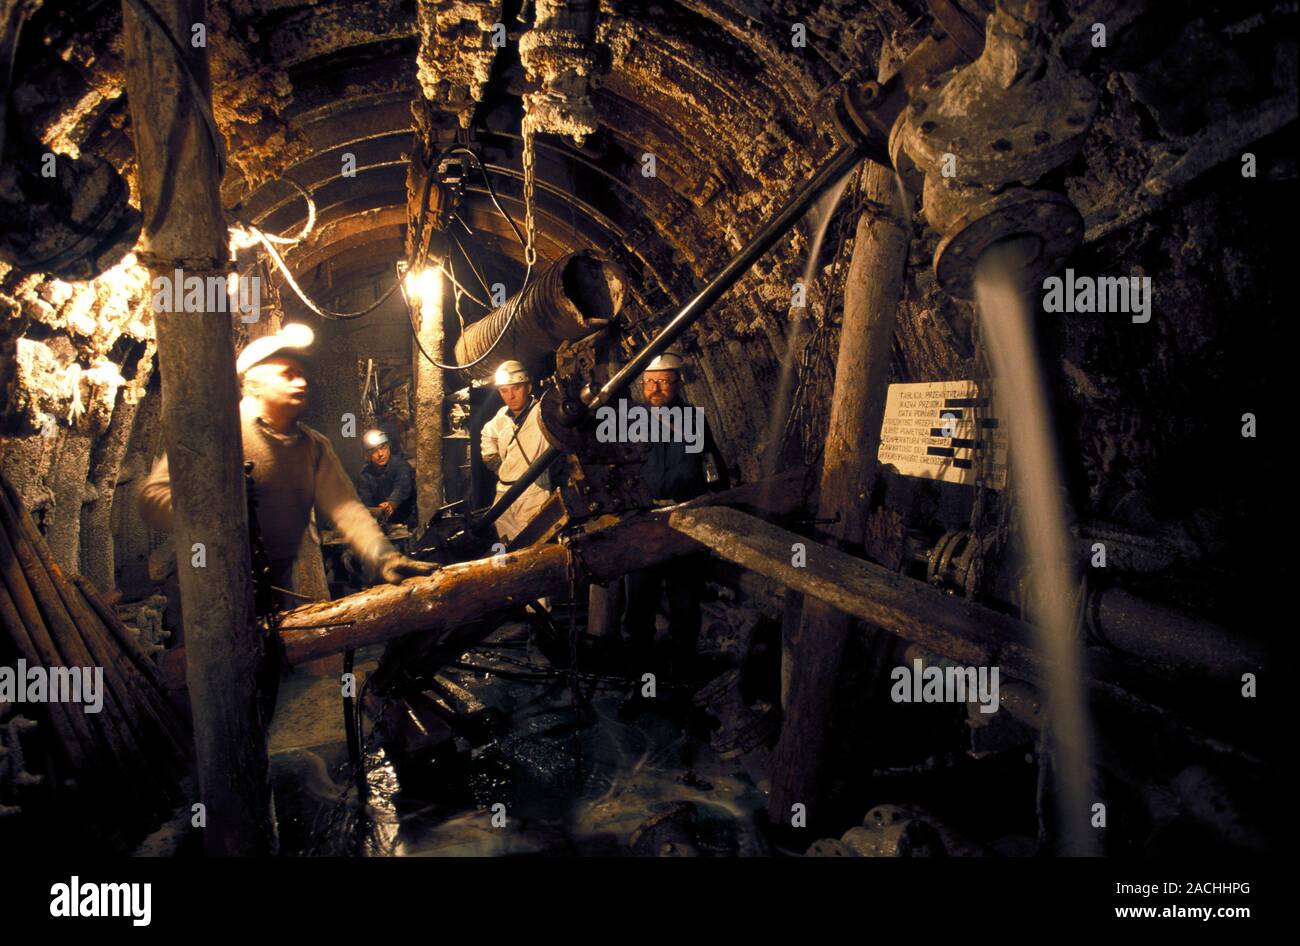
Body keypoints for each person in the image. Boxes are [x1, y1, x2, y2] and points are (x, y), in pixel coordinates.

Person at [138, 323, 436, 611]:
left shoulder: (312, 446)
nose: (301, 381)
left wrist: (383, 558)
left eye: (302, 374)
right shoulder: (218, 434)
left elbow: (347, 510)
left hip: (276, 584)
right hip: (209, 589)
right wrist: (212, 506)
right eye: (288, 374)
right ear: (255, 382)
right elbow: (151, 496)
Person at [621, 349, 729, 714]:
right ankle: (643, 687)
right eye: (650, 382)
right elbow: (619, 472)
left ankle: (683, 684)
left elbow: (715, 472)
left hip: (684, 526)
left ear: (678, 383)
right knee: (639, 611)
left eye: (664, 382)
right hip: (643, 526)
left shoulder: (695, 421)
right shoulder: (631, 421)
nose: (656, 388)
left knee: (685, 608)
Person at [480, 359, 552, 544]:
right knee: (508, 547)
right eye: (504, 390)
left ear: (528, 387)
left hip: (534, 491)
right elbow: (487, 435)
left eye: (516, 388)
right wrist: (497, 464)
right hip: (503, 492)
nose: (510, 396)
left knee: (534, 545)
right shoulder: (501, 416)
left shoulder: (541, 412)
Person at [356, 429, 417, 529]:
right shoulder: (365, 475)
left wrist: (391, 503)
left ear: (388, 447)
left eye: (383, 448)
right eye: (374, 451)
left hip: (405, 520)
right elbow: (365, 501)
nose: (380, 454)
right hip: (379, 524)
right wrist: (376, 512)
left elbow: (402, 487)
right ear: (368, 455)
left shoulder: (400, 466)